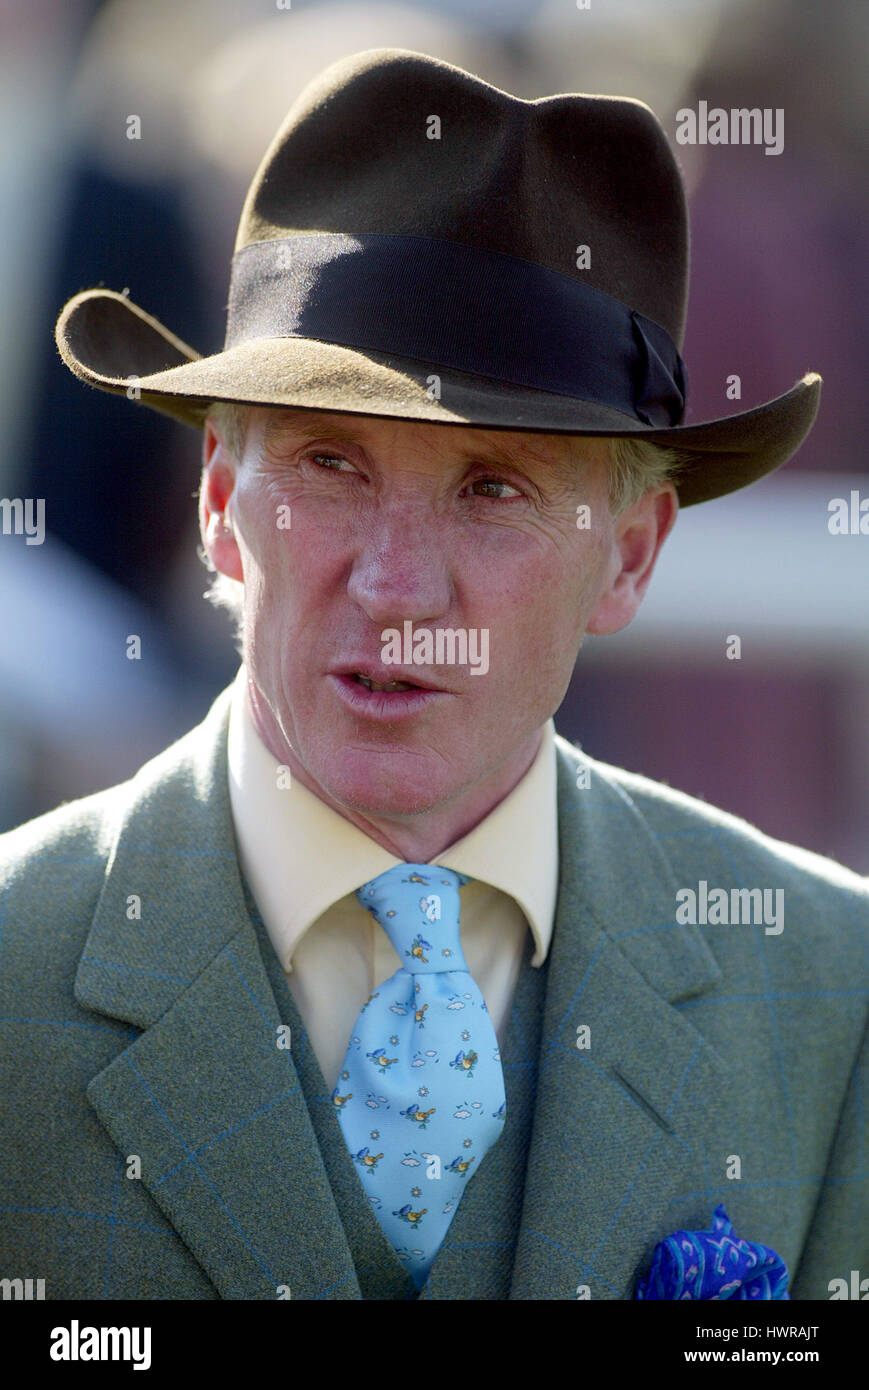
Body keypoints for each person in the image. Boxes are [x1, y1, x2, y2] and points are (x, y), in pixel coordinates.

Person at [1, 48, 866, 1302]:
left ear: (626, 558)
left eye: (493, 489)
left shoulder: (826, 996)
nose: (397, 588)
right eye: (330, 467)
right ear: (218, 501)